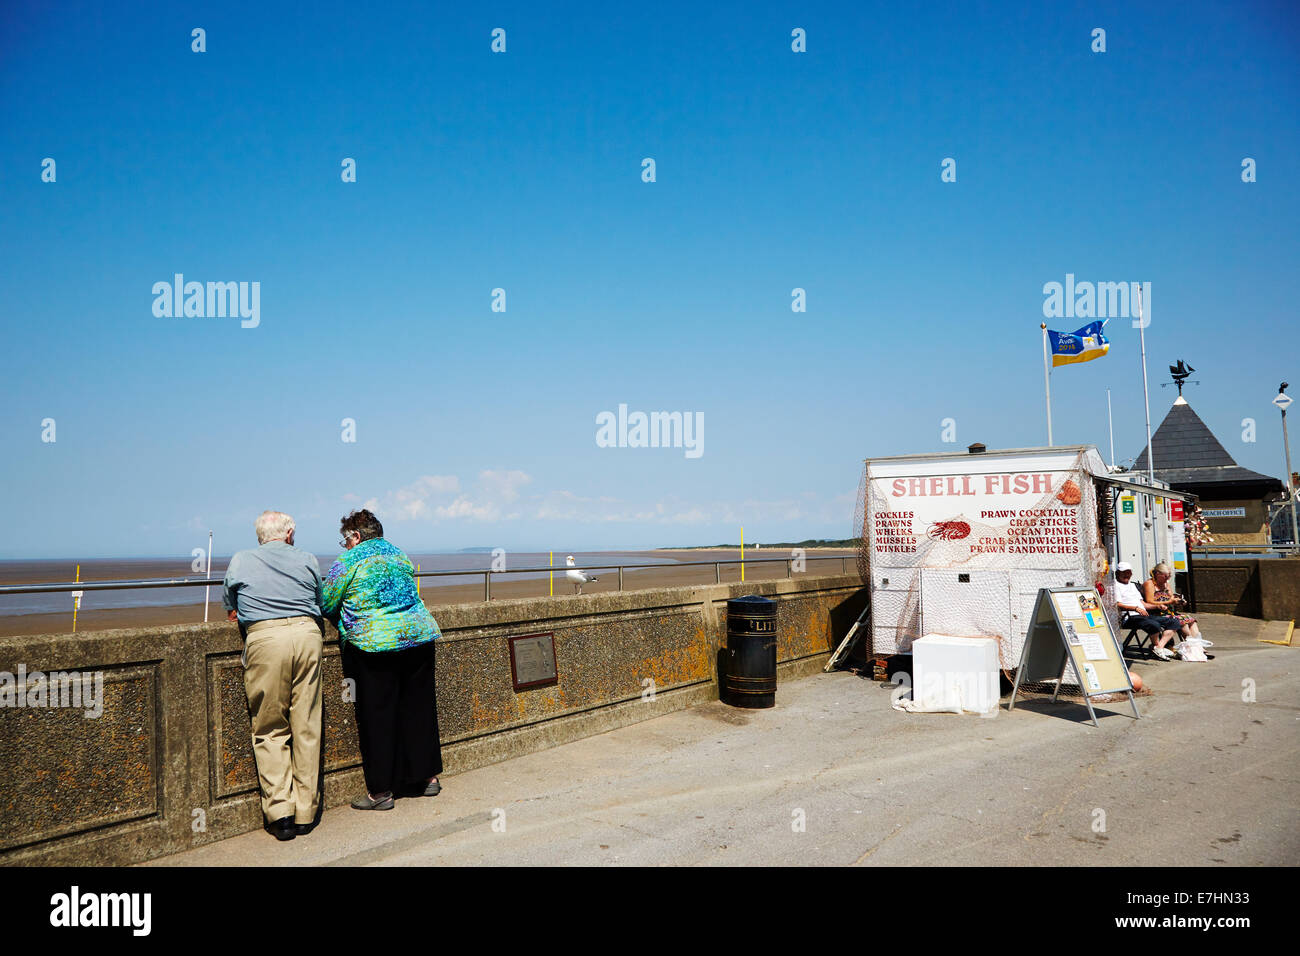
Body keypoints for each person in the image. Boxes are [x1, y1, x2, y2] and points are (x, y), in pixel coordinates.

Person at [323, 509, 444, 810]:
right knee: (418, 708)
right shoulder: (398, 553)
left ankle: (381, 793)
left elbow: (326, 601)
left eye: (345, 541)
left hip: (376, 643)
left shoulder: (348, 561)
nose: (345, 546)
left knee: (377, 715)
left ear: (356, 536)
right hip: (418, 636)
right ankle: (427, 778)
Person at [222, 510, 325, 842]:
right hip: (307, 634)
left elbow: (230, 603)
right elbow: (319, 599)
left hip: (266, 639)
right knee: (307, 723)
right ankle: (307, 812)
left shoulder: (241, 559)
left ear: (259, 536)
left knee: (269, 727)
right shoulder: (307, 558)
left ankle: (281, 814)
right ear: (290, 533)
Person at [1112, 561, 1181, 660]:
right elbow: (1117, 605)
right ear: (1118, 573)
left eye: (1128, 572)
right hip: (1129, 617)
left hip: (1143, 614)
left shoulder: (1132, 585)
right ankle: (1158, 648)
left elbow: (1143, 604)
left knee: (1174, 622)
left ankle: (1158, 647)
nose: (1127, 575)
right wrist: (1135, 608)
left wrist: (1157, 606)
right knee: (1154, 625)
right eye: (1124, 572)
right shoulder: (1115, 585)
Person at [1144, 562, 1206, 646]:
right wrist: (1169, 602)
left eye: (1169, 577)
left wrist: (1178, 601)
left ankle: (1197, 645)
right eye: (1165, 576)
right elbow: (1149, 601)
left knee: (1191, 620)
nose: (1167, 579)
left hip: (1169, 612)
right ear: (1158, 574)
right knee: (1182, 621)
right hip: (1157, 613)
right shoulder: (1149, 584)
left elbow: (1171, 598)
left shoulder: (1166, 584)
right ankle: (1193, 646)